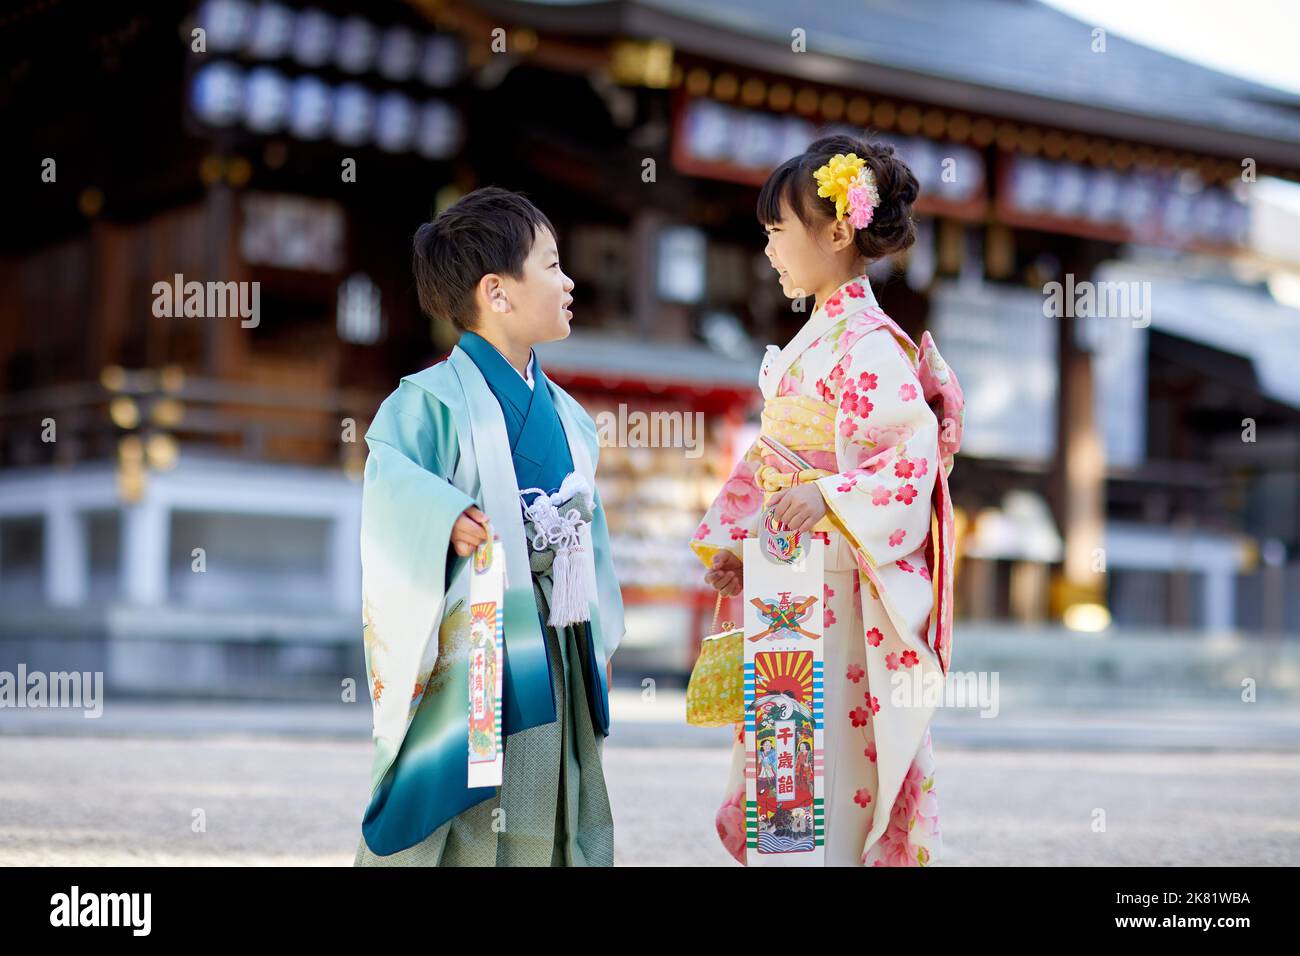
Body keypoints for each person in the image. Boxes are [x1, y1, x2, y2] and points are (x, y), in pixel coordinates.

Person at [691, 134, 965, 866]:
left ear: (838, 233)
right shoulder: (819, 336)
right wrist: (744, 543)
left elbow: (906, 461)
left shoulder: (871, 343)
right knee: (785, 757)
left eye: (778, 230)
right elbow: (775, 463)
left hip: (838, 587)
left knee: (830, 759)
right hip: (790, 578)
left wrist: (831, 494)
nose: (769, 247)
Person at [354, 186, 624, 866]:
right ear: (496, 292)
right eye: (552, 265)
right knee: (466, 801)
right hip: (476, 636)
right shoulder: (427, 401)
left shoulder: (569, 414)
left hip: (556, 636)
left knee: (550, 789)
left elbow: (589, 539)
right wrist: (445, 517)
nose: (568, 283)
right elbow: (389, 486)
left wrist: (594, 626)